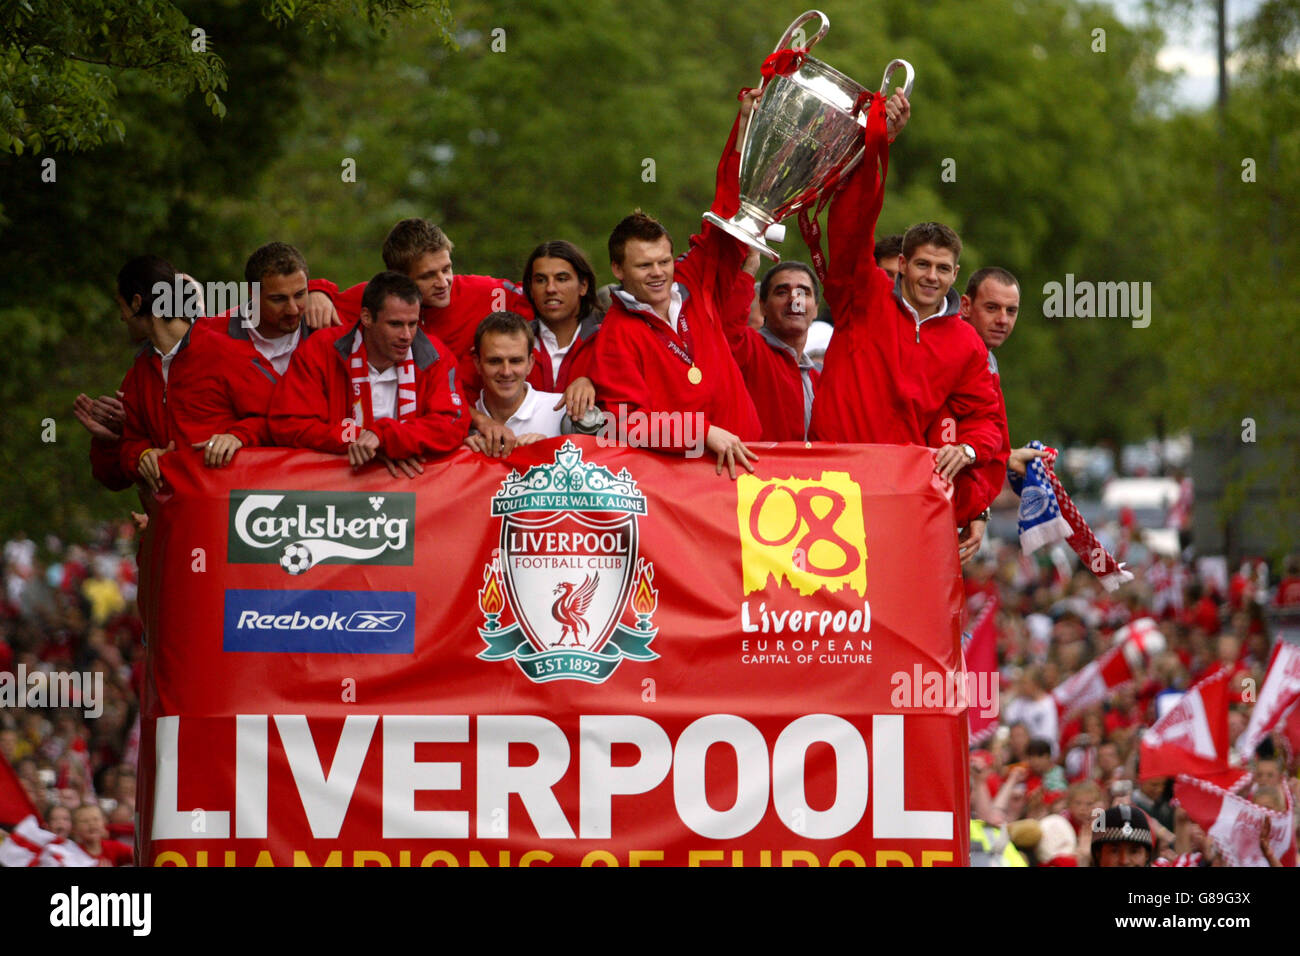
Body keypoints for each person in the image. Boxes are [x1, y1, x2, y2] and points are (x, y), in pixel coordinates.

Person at [806, 92, 1006, 517]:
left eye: (942, 268)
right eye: (922, 264)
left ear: (955, 274)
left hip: (897, 495)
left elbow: (988, 421)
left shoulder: (966, 343)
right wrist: (877, 145)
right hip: (829, 481)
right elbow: (852, 227)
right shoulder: (864, 293)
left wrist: (969, 449)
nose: (931, 276)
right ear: (902, 264)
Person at [587, 92, 762, 479]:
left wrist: (744, 125)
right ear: (618, 269)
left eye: (664, 261)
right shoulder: (616, 334)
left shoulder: (695, 280)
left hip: (749, 465)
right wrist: (703, 433)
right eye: (644, 265)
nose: (658, 273)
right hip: (687, 483)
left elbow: (724, 211)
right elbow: (626, 424)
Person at [270, 271, 469, 477]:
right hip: (334, 489)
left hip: (411, 490)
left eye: (413, 324)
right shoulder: (321, 349)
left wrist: (386, 438)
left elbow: (453, 423)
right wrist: (359, 439)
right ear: (366, 317)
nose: (406, 335)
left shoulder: (434, 356)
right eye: (395, 324)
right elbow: (288, 423)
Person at [116, 256, 277, 494]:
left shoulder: (225, 353)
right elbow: (129, 444)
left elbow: (280, 415)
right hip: (175, 518)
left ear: (137, 303)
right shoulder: (139, 371)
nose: (121, 316)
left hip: (229, 515)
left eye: (121, 306)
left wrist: (238, 437)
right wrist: (141, 456)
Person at [305, 218, 533, 362]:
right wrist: (317, 292)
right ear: (398, 278)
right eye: (427, 276)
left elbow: (547, 295)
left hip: (475, 424)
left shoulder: (485, 292)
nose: (443, 282)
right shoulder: (373, 298)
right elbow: (292, 303)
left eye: (446, 269)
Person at [460, 240, 604, 456]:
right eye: (540, 280)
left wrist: (592, 381)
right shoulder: (507, 342)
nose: (551, 289)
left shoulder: (607, 339)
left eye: (562, 279)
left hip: (587, 467)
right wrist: (482, 424)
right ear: (529, 288)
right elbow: (453, 398)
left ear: (583, 285)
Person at [722, 260, 822, 441]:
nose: (794, 299)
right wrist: (749, 267)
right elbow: (727, 328)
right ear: (763, 306)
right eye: (782, 292)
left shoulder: (819, 380)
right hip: (755, 469)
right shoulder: (748, 349)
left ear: (816, 309)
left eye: (803, 292)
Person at [208, 242, 316, 375]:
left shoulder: (326, 326)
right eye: (278, 299)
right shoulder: (212, 336)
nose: (292, 310)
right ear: (253, 293)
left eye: (299, 295)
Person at [465, 312, 568, 453]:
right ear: (477, 363)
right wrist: (464, 454)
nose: (506, 372)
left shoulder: (563, 411)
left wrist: (551, 453)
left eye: (515, 361)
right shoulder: (462, 425)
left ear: (530, 363)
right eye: (495, 361)